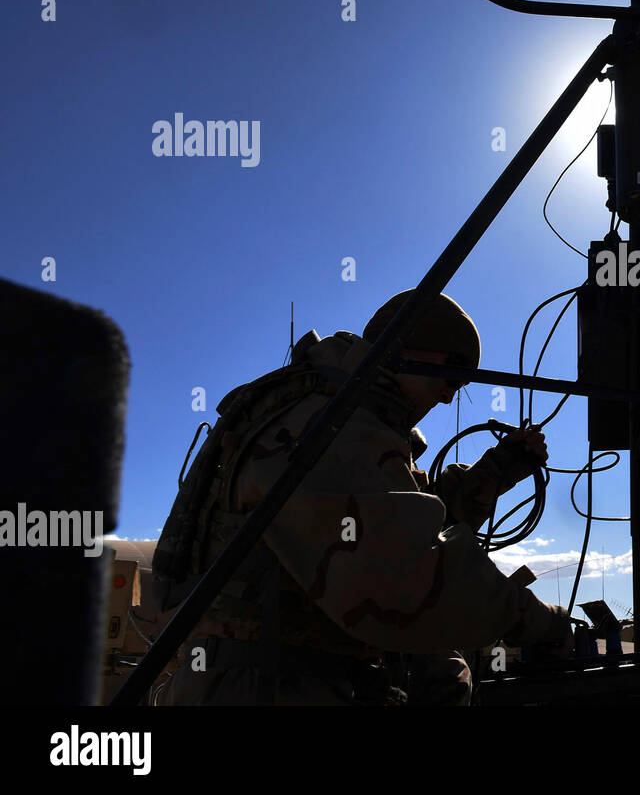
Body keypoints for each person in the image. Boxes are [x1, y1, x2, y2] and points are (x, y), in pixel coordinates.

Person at [158, 289, 571, 705]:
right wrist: (542, 623)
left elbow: (403, 511)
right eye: (452, 378)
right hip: (270, 684)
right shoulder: (329, 422)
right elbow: (407, 573)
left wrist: (497, 470)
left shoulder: (348, 417)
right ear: (411, 351)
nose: (449, 396)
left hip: (288, 678)